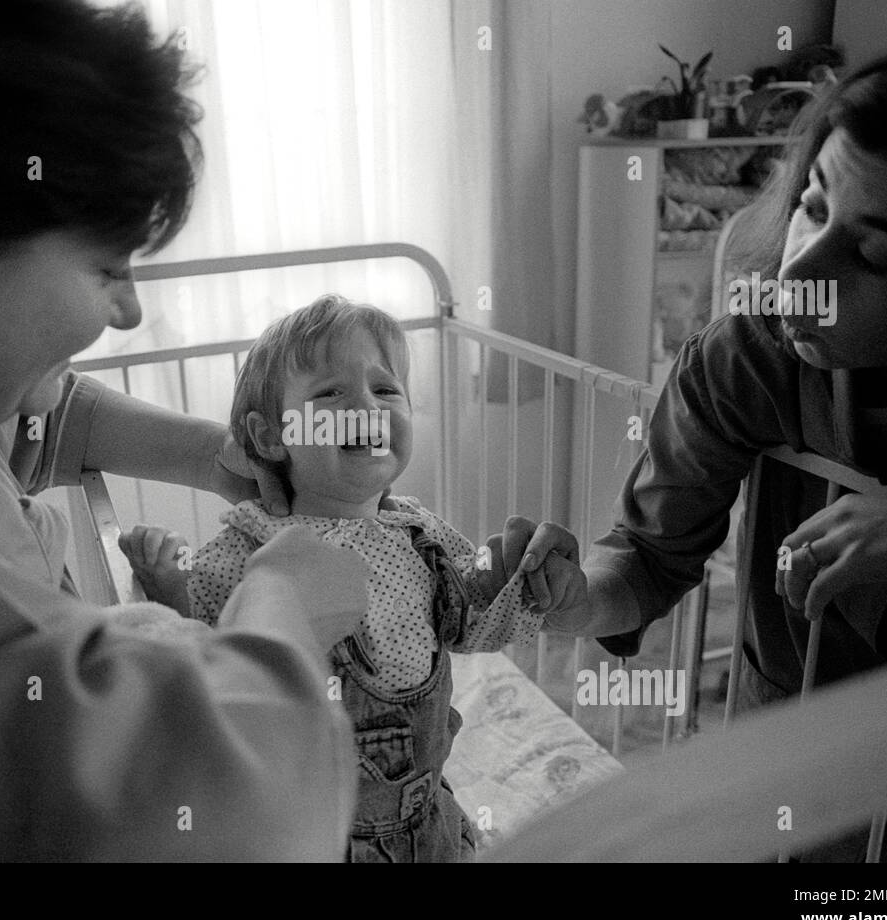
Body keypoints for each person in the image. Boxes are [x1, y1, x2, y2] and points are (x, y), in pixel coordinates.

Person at [0, 0, 563, 862]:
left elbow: (49, 416)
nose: (129, 307)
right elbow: (237, 811)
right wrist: (282, 606)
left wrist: (225, 460)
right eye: (106, 266)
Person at [554, 30, 887, 861]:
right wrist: (577, 596)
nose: (799, 274)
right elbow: (647, 559)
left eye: (873, 254)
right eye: (814, 207)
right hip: (784, 752)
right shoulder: (749, 354)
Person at [120, 295, 587, 862]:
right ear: (270, 438)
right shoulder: (255, 545)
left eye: (385, 390)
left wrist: (529, 586)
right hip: (316, 835)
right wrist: (169, 584)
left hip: (429, 819)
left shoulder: (421, 536)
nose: (365, 405)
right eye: (329, 393)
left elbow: (474, 626)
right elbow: (210, 666)